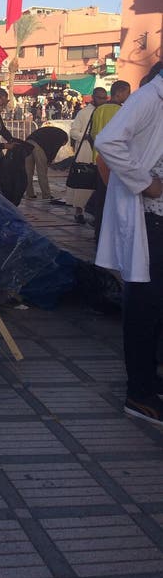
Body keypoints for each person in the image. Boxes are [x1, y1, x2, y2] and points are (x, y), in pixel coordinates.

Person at [95, 64, 163, 425]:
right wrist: (144, 182)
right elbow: (107, 142)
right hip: (150, 220)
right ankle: (139, 393)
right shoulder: (150, 97)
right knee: (145, 306)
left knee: (156, 306)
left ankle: (151, 381)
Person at [90, 80, 131, 239]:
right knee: (114, 200)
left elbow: (93, 135)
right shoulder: (122, 111)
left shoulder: (98, 110)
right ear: (119, 93)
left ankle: (98, 232)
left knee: (100, 199)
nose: (128, 96)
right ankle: (111, 235)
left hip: (98, 159)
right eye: (127, 92)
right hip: (114, 163)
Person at [66, 86, 108, 223]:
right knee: (83, 183)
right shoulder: (84, 113)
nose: (102, 100)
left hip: (100, 154)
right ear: (93, 98)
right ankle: (79, 212)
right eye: (100, 97)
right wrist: (85, 137)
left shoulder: (106, 112)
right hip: (85, 151)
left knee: (96, 184)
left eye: (104, 98)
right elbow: (73, 131)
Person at [24, 126, 68, 201]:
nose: (62, 146)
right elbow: (54, 149)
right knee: (42, 172)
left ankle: (29, 194)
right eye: (63, 145)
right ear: (65, 140)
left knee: (28, 172)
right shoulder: (61, 136)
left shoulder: (55, 131)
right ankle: (46, 195)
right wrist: (49, 161)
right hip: (38, 145)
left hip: (27, 143)